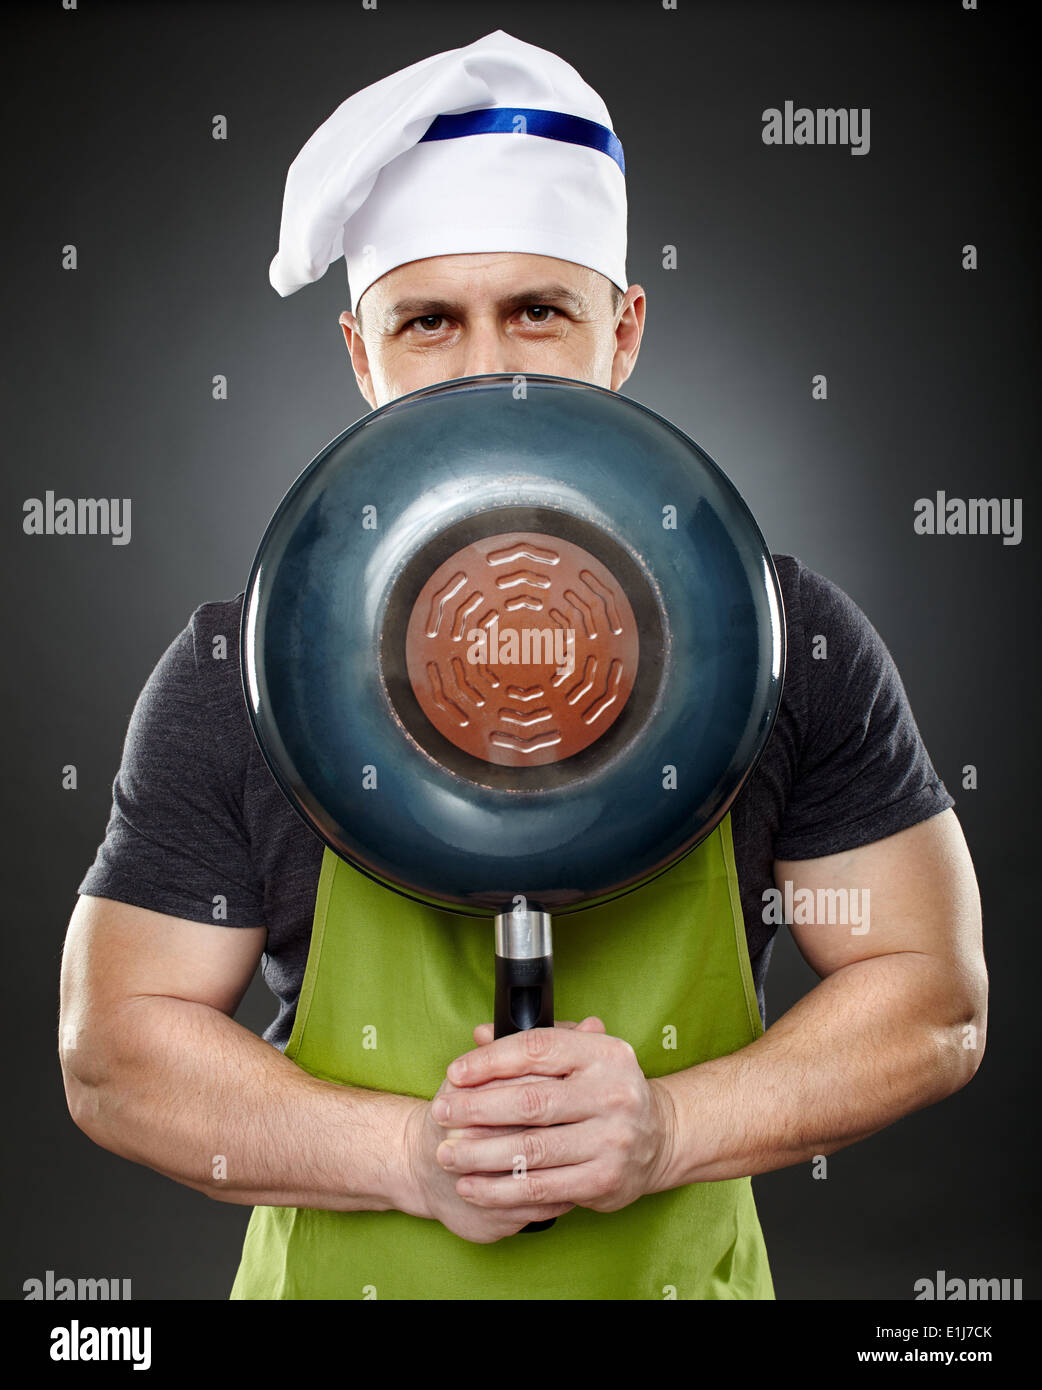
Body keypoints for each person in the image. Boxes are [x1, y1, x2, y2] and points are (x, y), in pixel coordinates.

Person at [59, 30, 986, 1300]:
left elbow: (929, 995)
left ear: (624, 330)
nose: (488, 365)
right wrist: (405, 1155)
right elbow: (115, 1048)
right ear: (359, 356)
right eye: (428, 321)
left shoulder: (791, 640)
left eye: (538, 311)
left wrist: (666, 1131)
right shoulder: (241, 666)